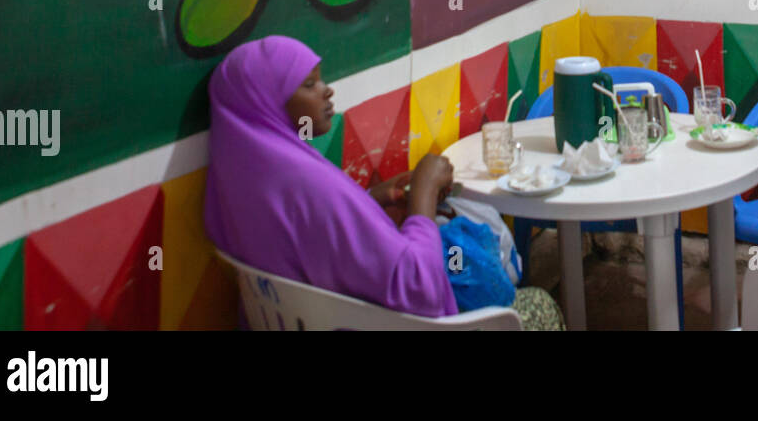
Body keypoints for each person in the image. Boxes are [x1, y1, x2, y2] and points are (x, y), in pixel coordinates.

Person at [204, 35, 563, 329]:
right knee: (539, 304)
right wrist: (422, 196)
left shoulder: (242, 180)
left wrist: (370, 199)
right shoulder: (307, 182)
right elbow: (418, 285)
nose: (327, 91)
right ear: (267, 103)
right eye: (309, 84)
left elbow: (313, 235)